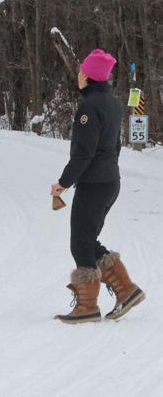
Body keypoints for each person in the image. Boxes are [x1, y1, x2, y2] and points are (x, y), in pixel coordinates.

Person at [51, 49, 145, 324]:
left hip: (94, 184)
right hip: (109, 181)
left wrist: (63, 183)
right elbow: (114, 146)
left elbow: (84, 152)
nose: (78, 74)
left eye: (81, 70)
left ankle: (87, 307)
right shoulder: (112, 103)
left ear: (89, 75)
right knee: (87, 240)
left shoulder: (89, 107)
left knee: (80, 243)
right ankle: (126, 290)